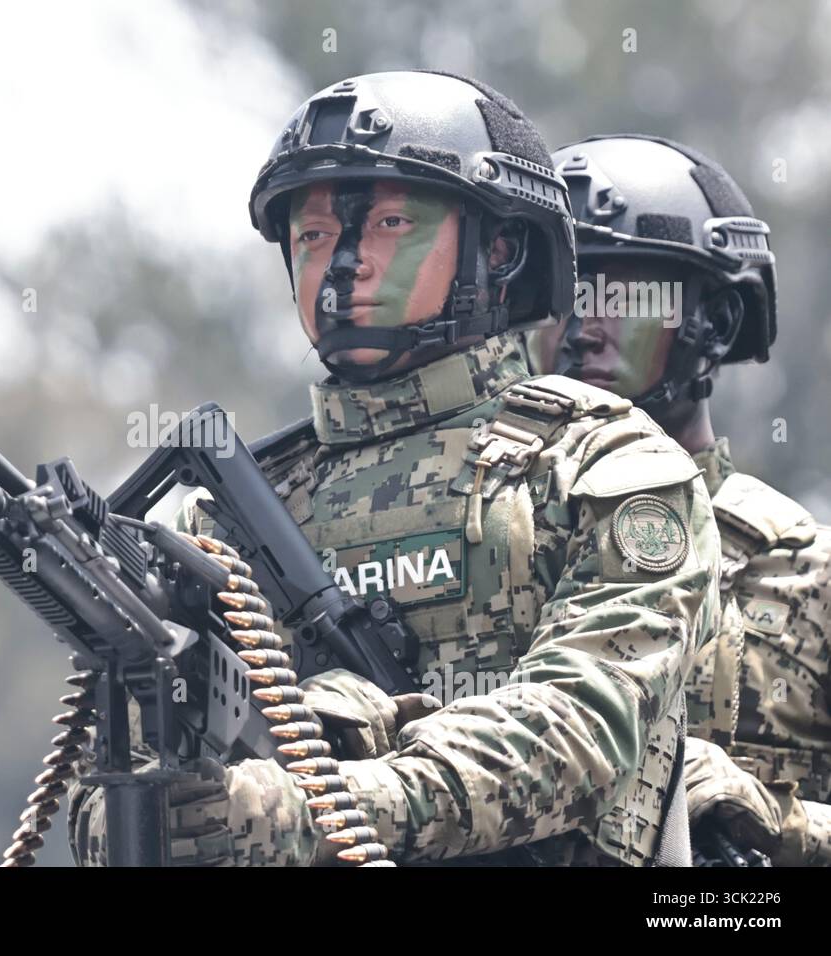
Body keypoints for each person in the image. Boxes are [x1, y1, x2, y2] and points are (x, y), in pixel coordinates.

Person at [69, 72, 721, 866]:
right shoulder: (224, 517)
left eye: (387, 225)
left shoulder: (606, 466)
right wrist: (160, 817)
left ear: (501, 250)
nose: (345, 266)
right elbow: (114, 790)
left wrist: (319, 810)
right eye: (313, 237)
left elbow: (581, 733)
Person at [529, 134, 830, 865]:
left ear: (713, 325)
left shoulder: (807, 576)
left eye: (625, 295)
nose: (581, 331)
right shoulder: (497, 551)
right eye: (562, 296)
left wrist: (768, 821)